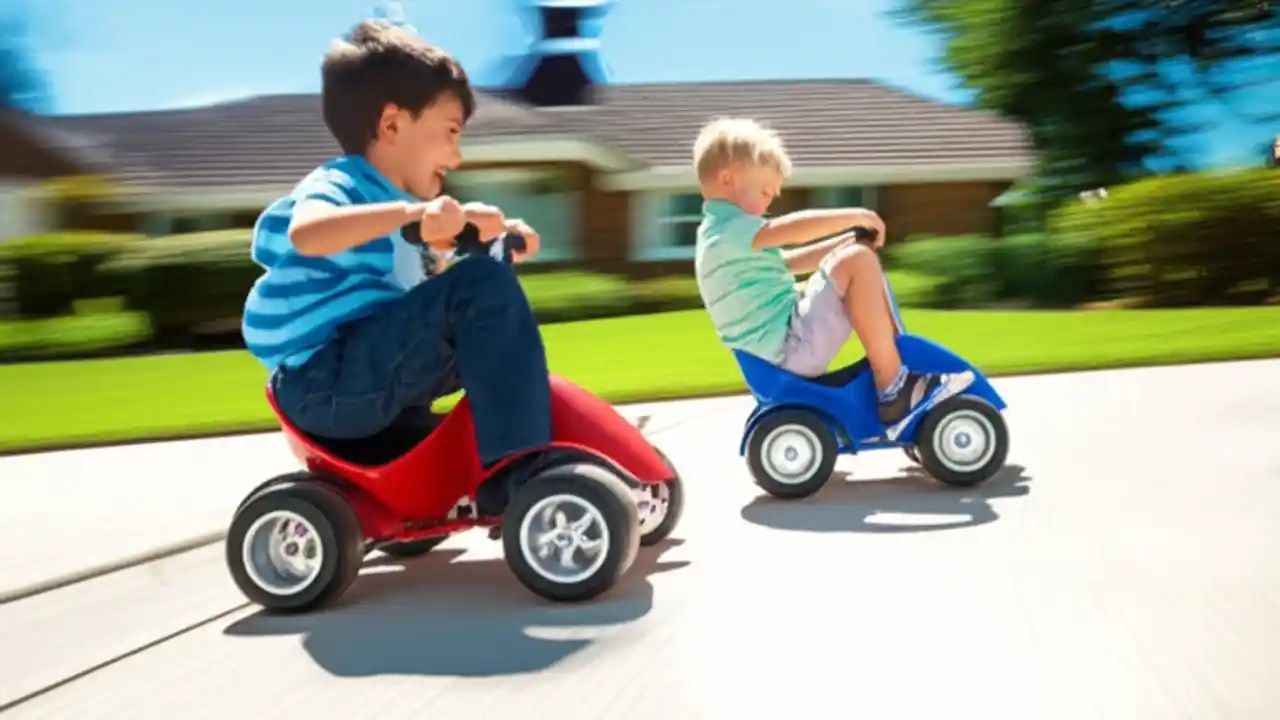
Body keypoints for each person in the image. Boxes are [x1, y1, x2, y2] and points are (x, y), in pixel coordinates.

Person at [240, 20, 551, 510]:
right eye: (450, 132)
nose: (458, 155)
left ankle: (531, 440)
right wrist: (414, 216)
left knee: (487, 303)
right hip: (328, 382)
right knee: (478, 288)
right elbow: (308, 232)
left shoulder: (405, 209)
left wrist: (495, 238)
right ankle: (518, 467)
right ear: (391, 125)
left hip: (372, 371)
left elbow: (440, 288)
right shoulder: (340, 184)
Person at [691, 117, 973, 440]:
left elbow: (791, 262)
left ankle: (896, 377)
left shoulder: (722, 236)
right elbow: (792, 230)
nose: (769, 202)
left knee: (855, 258)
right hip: (793, 349)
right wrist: (857, 216)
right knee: (859, 261)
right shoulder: (732, 230)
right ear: (728, 179)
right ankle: (894, 387)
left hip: (787, 345)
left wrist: (847, 241)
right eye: (766, 192)